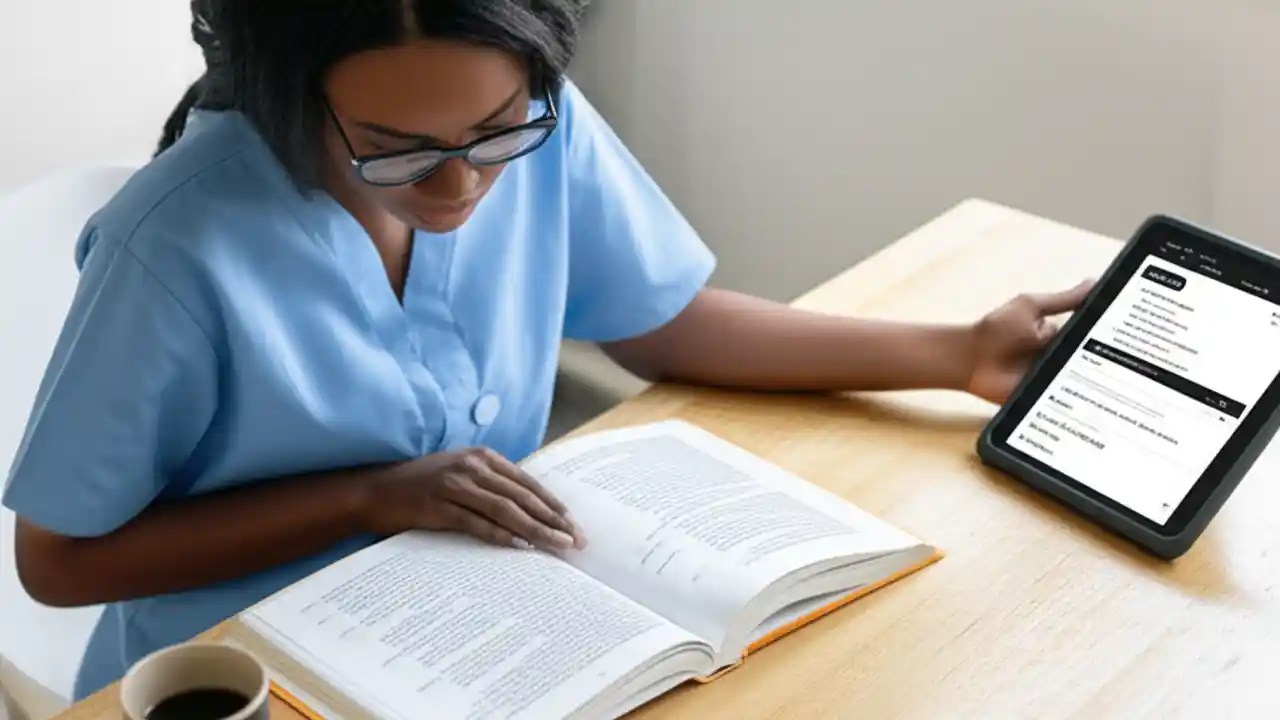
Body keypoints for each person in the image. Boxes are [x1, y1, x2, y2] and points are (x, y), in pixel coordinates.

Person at [3, 0, 1091, 701]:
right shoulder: (174, 245)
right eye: (392, 150)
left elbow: (660, 324)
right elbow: (59, 563)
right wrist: (368, 498)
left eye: (495, 132)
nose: (461, 185)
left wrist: (954, 353)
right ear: (293, 100)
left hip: (493, 627)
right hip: (246, 669)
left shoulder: (534, 120)